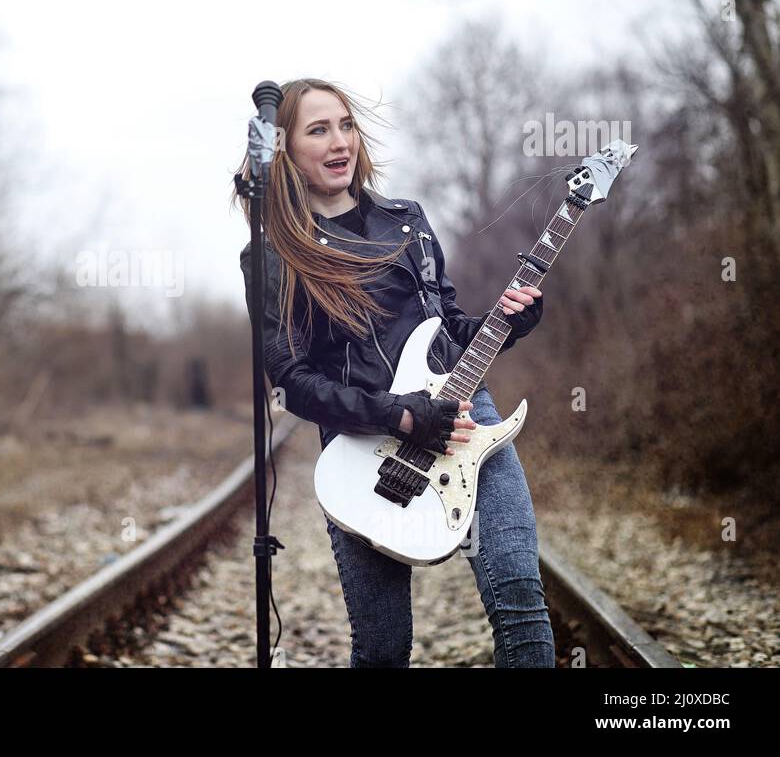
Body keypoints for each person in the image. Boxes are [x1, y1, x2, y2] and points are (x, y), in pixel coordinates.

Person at [234, 78, 555, 668]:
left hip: (464, 422)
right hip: (365, 448)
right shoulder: (274, 253)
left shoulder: (407, 220)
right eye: (318, 129)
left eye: (346, 125)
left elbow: (448, 327)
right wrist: (400, 413)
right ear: (284, 150)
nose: (340, 142)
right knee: (383, 647)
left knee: (522, 602)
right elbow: (291, 382)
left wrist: (509, 322)